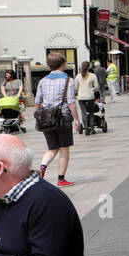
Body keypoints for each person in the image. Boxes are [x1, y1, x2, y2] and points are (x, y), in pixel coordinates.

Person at [33, 52, 79, 186]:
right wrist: (76, 119)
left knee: (52, 148)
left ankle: (42, 167)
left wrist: (39, 116)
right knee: (64, 149)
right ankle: (61, 179)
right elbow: (71, 102)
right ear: (63, 63)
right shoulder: (68, 80)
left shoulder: (43, 81)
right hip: (62, 117)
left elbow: (37, 103)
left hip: (47, 118)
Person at [74, 61, 101, 133]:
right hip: (90, 96)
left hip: (81, 97)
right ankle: (92, 128)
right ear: (89, 67)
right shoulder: (92, 76)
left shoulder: (78, 76)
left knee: (83, 112)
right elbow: (96, 87)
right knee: (91, 112)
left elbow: (76, 88)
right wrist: (92, 90)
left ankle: (86, 129)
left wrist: (79, 92)